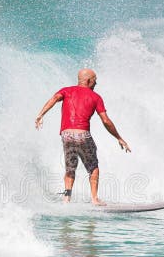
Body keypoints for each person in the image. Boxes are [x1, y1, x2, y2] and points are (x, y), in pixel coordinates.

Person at [35, 68, 130, 205]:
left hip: (66, 135)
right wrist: (119, 138)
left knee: (70, 167)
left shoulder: (66, 90)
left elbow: (55, 98)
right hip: (82, 135)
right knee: (93, 168)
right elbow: (105, 121)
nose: (96, 83)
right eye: (95, 80)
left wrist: (41, 114)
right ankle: (94, 199)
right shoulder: (95, 97)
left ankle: (67, 198)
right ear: (88, 81)